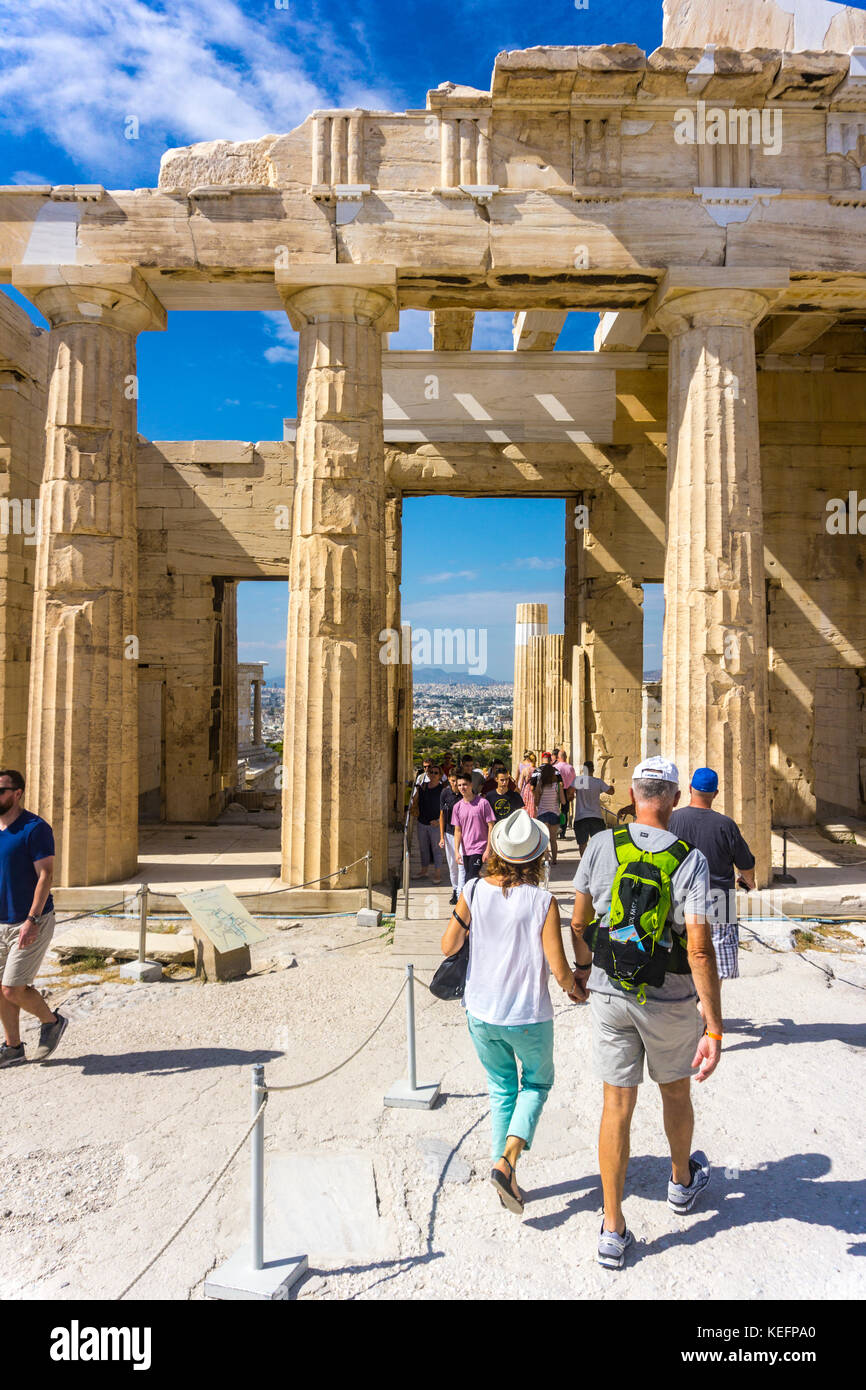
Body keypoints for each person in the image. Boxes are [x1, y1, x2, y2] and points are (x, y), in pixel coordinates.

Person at [570, 756, 723, 1270]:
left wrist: (585, 971)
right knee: (675, 1089)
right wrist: (715, 1024)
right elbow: (700, 947)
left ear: (633, 794)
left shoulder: (600, 845)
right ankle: (681, 1182)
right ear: (675, 800)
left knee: (616, 1106)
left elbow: (578, 918)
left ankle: (612, 1229)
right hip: (670, 996)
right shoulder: (691, 859)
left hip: (611, 993)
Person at [440, 808, 584, 1215]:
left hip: (481, 1011)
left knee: (502, 1088)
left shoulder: (472, 890)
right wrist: (576, 989)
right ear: (538, 857)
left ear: (496, 850)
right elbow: (558, 968)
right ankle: (507, 1161)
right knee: (537, 1084)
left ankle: (507, 1173)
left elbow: (448, 946)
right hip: (527, 1014)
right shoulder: (543, 901)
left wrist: (466, 915)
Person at [0, 769, 67, 1067]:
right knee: (0, 987)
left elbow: (46, 875)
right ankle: (13, 1048)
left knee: (12, 988)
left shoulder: (34, 828)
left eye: (0, 790)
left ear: (17, 793)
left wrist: (32, 920)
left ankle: (51, 1021)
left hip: (28, 921)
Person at [669, 767, 756, 994]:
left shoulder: (673, 820)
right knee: (715, 961)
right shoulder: (725, 825)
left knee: (682, 952)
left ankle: (688, 1005)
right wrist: (749, 881)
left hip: (680, 897)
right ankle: (706, 1011)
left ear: (689, 789)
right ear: (715, 794)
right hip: (719, 899)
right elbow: (746, 864)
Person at [451, 774, 495, 884]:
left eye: (465, 784)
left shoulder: (483, 803)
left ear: (471, 785)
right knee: (473, 879)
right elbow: (457, 830)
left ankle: (466, 900)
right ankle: (476, 900)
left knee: (470, 879)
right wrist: (456, 851)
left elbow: (491, 826)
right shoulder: (457, 807)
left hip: (480, 848)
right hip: (466, 850)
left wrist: (488, 849)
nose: (462, 787)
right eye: (459, 785)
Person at [412, 764, 445, 884]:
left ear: (440, 775)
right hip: (422, 822)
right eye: (431, 772)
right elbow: (415, 801)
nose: (433, 774)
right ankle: (424, 870)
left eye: (436, 773)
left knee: (436, 849)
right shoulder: (423, 787)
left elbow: (445, 808)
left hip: (435, 824)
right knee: (423, 848)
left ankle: (437, 873)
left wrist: (438, 820)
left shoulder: (443, 790)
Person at [572, 761, 614, 854]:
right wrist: (612, 786)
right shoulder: (598, 782)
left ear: (583, 770)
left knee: (582, 844)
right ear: (593, 770)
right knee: (598, 844)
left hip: (581, 817)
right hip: (596, 817)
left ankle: (585, 864)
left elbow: (569, 793)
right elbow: (611, 792)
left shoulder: (578, 780)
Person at [532, 761, 565, 865]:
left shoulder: (539, 785)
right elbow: (563, 801)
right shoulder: (557, 786)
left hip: (542, 814)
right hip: (554, 814)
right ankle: (554, 860)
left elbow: (536, 802)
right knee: (553, 839)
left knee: (545, 840)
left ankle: (546, 860)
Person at [439, 770, 463, 905]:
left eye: (457, 782)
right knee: (452, 864)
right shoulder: (445, 793)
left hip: (463, 834)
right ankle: (455, 889)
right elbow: (442, 814)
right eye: (453, 781)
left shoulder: (464, 794)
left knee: (461, 864)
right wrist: (441, 836)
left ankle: (461, 892)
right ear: (449, 780)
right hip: (449, 833)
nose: (455, 784)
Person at [554, 748, 577, 840]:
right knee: (564, 812)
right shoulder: (570, 768)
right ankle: (563, 832)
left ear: (558, 758)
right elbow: (574, 781)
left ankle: (555, 830)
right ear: (566, 757)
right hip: (567, 792)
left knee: (556, 811)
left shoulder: (555, 767)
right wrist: (572, 792)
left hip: (557, 791)